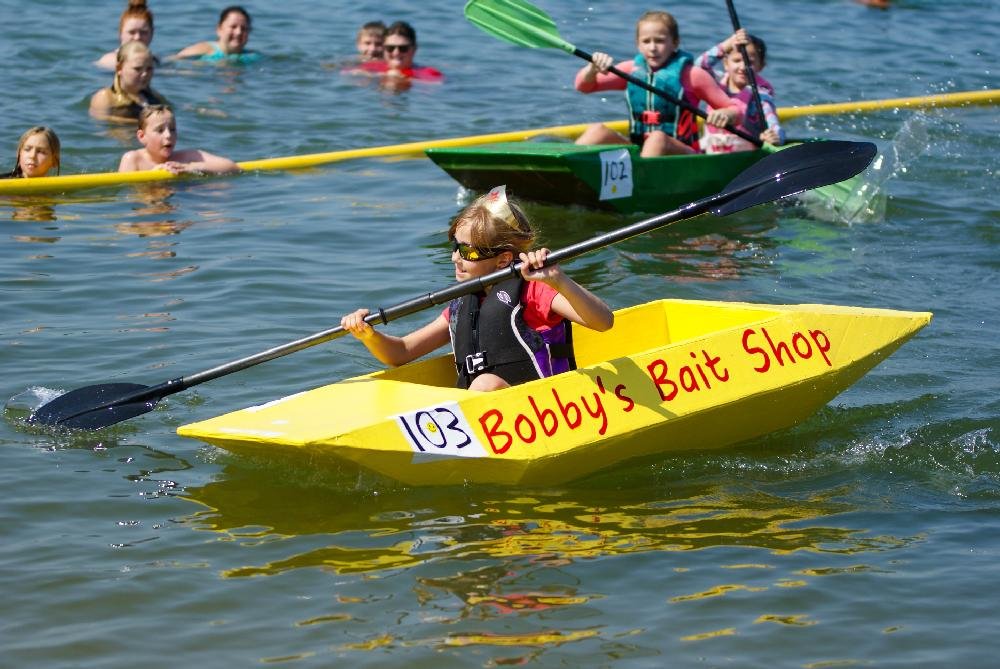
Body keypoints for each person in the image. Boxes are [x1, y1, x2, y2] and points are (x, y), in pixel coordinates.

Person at [340, 186, 614, 391]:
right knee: (483, 385)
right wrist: (367, 334)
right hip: (490, 413)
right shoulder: (463, 305)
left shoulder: (534, 289)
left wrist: (558, 280)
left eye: (467, 252)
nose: (455, 258)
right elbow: (401, 353)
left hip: (547, 407)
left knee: (486, 383)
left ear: (503, 259)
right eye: (455, 247)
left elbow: (603, 322)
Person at [573, 10, 740, 157]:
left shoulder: (693, 75)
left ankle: (640, 184)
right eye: (646, 41)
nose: (652, 48)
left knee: (657, 138)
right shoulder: (631, 70)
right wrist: (592, 69)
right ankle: (561, 172)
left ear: (675, 43)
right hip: (641, 150)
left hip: (683, 154)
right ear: (638, 45)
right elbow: (584, 87)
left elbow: (736, 111)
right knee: (597, 131)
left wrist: (726, 114)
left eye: (659, 41)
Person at [696, 29, 784, 154]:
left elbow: (774, 126)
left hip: (743, 156)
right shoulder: (716, 81)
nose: (742, 67)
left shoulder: (762, 98)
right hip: (711, 152)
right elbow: (699, 67)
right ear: (726, 63)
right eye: (737, 60)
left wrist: (775, 137)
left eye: (750, 62)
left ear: (761, 66)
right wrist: (726, 45)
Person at [118, 105, 240, 174]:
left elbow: (232, 167)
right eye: (160, 130)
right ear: (142, 136)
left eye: (172, 129)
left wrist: (192, 167)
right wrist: (154, 173)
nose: (168, 135)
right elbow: (122, 189)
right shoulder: (133, 159)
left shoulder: (187, 157)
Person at [90, 41, 169, 123]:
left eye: (149, 69)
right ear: (119, 68)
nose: (145, 74)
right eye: (137, 69)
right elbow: (99, 126)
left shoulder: (155, 97)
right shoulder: (105, 98)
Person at [347, 21, 443, 83]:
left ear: (414, 49)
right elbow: (346, 74)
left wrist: (405, 79)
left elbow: (438, 86)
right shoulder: (371, 67)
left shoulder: (429, 73)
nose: (396, 52)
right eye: (390, 48)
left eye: (403, 48)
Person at [173, 5, 259, 63]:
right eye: (233, 27)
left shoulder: (252, 56)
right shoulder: (205, 50)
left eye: (244, 29)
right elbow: (172, 61)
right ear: (219, 29)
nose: (238, 32)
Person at [95, 0, 157, 70]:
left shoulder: (154, 61)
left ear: (152, 33)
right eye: (131, 32)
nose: (137, 37)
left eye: (143, 32)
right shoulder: (110, 61)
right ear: (120, 33)